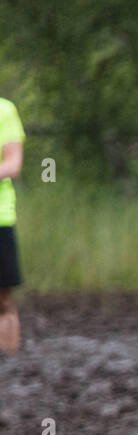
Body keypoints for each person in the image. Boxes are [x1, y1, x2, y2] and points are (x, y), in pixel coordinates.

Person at [0, 95, 24, 354]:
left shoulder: (5, 110)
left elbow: (13, 163)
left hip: (0, 216)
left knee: (3, 299)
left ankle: (10, 365)